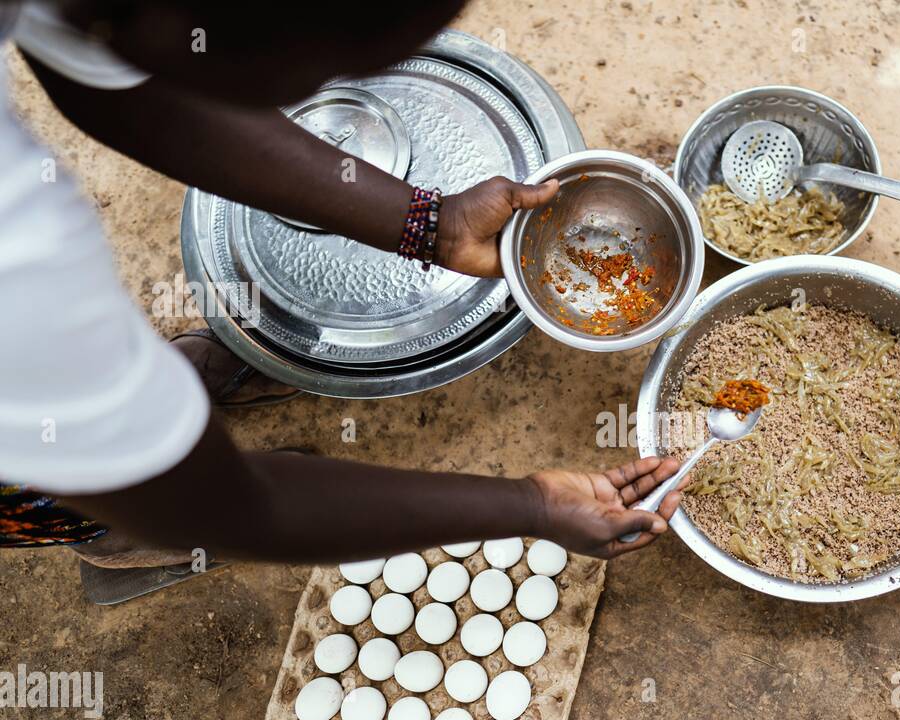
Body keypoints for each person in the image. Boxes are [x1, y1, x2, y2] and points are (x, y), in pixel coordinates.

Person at [0, 0, 681, 589]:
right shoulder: (20, 268)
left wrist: (431, 226)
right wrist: (532, 507)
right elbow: (230, 509)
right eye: (317, 74)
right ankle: (99, 524)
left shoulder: (109, 16)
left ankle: (130, 420)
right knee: (85, 490)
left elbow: (115, 81)